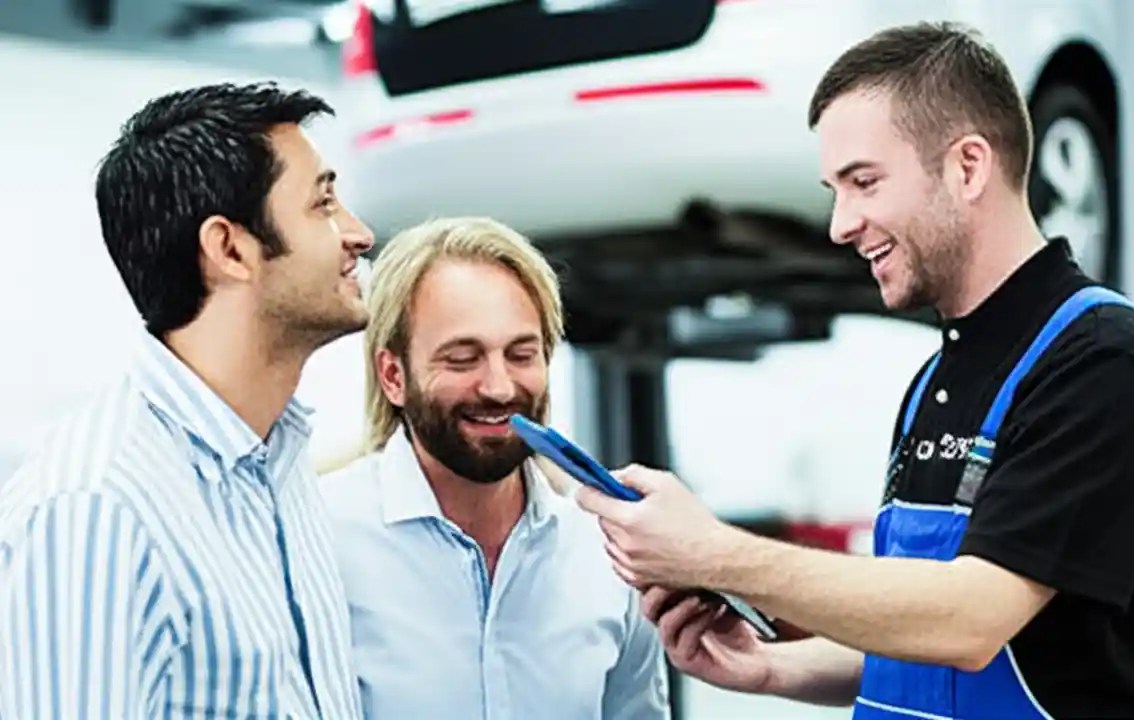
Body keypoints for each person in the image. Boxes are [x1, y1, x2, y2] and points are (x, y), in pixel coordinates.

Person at [575, 21, 1134, 720]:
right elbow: (918, 636)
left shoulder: (1103, 363)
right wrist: (769, 666)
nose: (840, 224)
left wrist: (711, 551)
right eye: (834, 189)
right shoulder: (936, 380)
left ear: (968, 167)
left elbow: (969, 623)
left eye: (863, 182)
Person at [0, 82, 373, 719]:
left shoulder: (276, 467)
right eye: (324, 204)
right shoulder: (98, 510)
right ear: (229, 249)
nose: (358, 235)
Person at [317, 216, 670, 720]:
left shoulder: (610, 552)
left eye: (522, 354)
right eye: (463, 359)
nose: (500, 387)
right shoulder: (318, 538)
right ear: (393, 376)